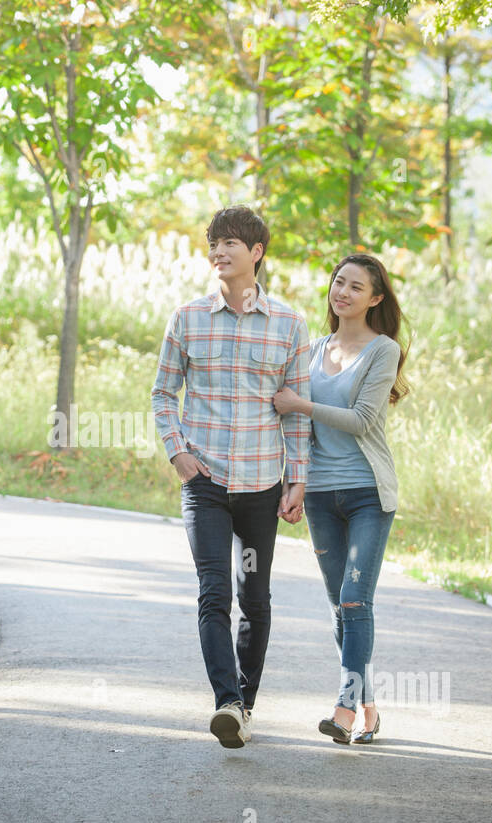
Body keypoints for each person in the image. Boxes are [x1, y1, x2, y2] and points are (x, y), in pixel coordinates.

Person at [151, 205, 310, 749]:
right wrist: (177, 453)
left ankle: (247, 701)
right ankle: (226, 703)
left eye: (230, 245)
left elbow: (295, 408)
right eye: (214, 244)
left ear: (256, 253)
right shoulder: (188, 317)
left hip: (263, 484)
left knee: (256, 598)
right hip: (206, 482)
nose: (219, 253)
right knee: (214, 592)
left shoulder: (290, 324)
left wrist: (298, 480)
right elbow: (161, 393)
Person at [272, 253, 409, 745]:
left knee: (355, 598)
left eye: (356, 287)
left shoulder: (382, 351)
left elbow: (361, 420)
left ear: (375, 298)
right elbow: (300, 429)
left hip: (368, 493)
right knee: (341, 607)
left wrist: (301, 402)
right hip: (320, 494)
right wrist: (295, 482)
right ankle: (369, 705)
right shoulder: (312, 350)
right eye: (338, 282)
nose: (343, 292)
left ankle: (344, 708)